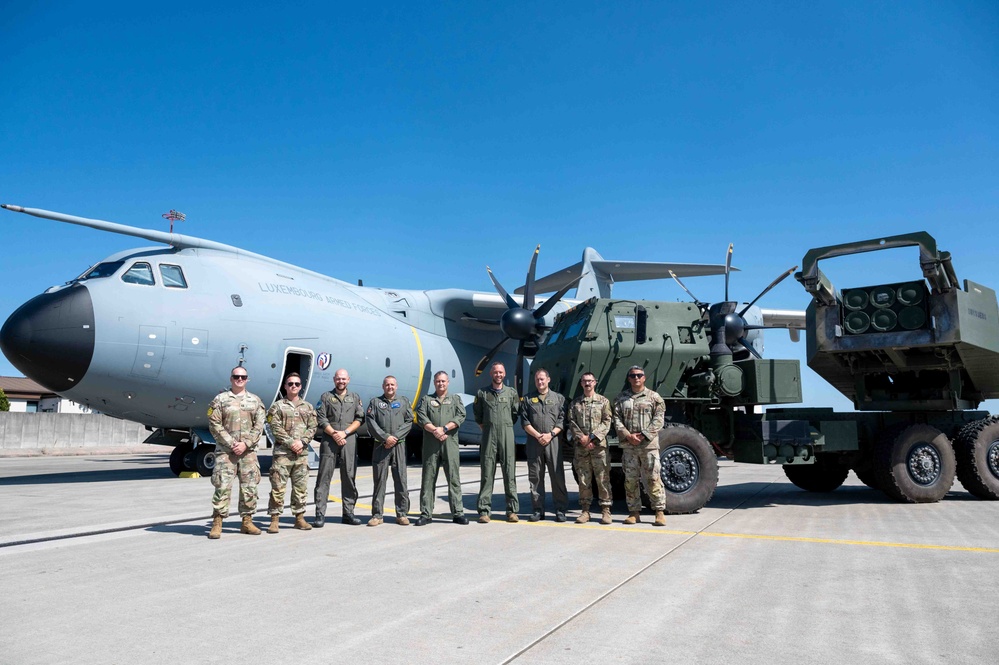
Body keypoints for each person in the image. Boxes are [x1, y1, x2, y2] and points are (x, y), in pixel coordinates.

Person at [206, 366, 267, 539]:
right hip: (226, 452)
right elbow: (214, 424)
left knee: (249, 488)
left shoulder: (255, 401)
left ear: (247, 379)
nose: (239, 379)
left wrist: (245, 444)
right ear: (231, 378)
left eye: (243, 377)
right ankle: (217, 522)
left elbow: (259, 426)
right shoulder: (220, 400)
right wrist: (233, 444)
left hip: (248, 453)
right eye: (236, 376)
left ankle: (247, 522)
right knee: (222, 487)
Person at [613, 365, 667, 526]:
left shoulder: (654, 397)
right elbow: (616, 419)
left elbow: (659, 419)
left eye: (639, 375)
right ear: (629, 379)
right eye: (633, 376)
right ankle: (634, 513)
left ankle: (659, 512)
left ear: (644, 377)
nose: (636, 378)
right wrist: (628, 435)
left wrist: (643, 435)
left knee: (653, 478)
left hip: (648, 446)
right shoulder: (621, 398)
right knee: (630, 480)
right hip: (629, 446)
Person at [265, 372, 317, 533]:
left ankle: (299, 518)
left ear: (300, 387)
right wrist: (290, 443)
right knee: (278, 488)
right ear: (285, 386)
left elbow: (313, 427)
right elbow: (274, 427)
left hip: (301, 454)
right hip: (282, 455)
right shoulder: (277, 406)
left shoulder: (308, 407)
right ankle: (274, 519)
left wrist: (302, 442)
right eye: (290, 384)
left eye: (297, 384)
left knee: (300, 488)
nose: (294, 386)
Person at [415, 371, 467, 525]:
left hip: (449, 442)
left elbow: (460, 416)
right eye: (438, 381)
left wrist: (444, 429)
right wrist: (435, 431)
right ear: (434, 383)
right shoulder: (426, 400)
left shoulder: (455, 399)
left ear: (448, 382)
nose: (441, 384)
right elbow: (421, 417)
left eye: (443, 381)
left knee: (453, 477)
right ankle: (426, 513)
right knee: (428, 478)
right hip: (431, 443)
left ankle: (458, 513)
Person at [314, 368, 365, 527]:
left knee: (349, 475)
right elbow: (321, 418)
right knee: (324, 475)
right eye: (338, 379)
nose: (341, 381)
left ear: (348, 380)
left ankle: (348, 513)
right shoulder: (326, 397)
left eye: (343, 379)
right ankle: (320, 514)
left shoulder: (355, 397)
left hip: (348, 438)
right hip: (329, 439)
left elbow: (360, 418)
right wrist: (334, 434)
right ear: (334, 380)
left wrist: (345, 433)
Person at [473, 362, 521, 523]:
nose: (498, 375)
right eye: (495, 372)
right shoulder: (482, 393)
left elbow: (515, 414)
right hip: (489, 436)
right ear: (491, 374)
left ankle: (512, 511)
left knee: (509, 473)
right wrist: (488, 427)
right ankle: (484, 511)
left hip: (507, 434)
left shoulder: (511, 393)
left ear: (504, 374)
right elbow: (478, 415)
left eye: (500, 372)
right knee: (487, 473)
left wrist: (504, 425)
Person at [520, 368, 567, 522]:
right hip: (534, 442)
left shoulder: (559, 398)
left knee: (557, 476)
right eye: (537, 380)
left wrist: (550, 434)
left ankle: (560, 509)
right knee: (535, 477)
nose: (539, 382)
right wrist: (538, 435)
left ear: (548, 379)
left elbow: (562, 420)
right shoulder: (527, 399)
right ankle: (538, 510)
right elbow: (525, 422)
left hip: (553, 442)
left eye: (542, 379)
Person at [366, 376, 412, 526]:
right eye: (387, 385)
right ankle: (377, 515)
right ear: (383, 386)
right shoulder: (375, 403)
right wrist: (385, 438)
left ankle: (402, 514)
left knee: (401, 480)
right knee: (379, 480)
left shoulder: (404, 402)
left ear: (396, 386)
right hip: (381, 446)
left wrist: (395, 437)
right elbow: (370, 421)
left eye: (392, 385)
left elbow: (409, 421)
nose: (390, 387)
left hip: (399, 446)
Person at [568, 372, 613, 524]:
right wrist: (582, 438)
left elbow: (607, 421)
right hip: (582, 448)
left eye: (590, 381)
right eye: (584, 381)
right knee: (583, 480)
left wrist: (592, 437)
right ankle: (585, 511)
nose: (587, 383)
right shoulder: (575, 404)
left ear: (595, 382)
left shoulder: (603, 402)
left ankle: (606, 510)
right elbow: (572, 422)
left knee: (603, 479)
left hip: (599, 447)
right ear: (581, 383)